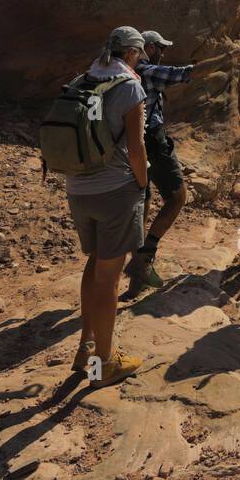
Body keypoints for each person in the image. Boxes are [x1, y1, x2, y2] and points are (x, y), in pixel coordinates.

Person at [65, 26, 148, 388]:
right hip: (115, 191)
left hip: (77, 189)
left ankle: (86, 348)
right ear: (131, 54)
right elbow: (136, 148)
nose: (140, 61)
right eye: (140, 55)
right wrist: (143, 185)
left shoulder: (81, 79)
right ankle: (104, 365)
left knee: (95, 263)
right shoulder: (129, 87)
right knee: (110, 279)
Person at [125, 30, 193, 293]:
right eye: (161, 48)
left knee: (144, 201)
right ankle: (146, 254)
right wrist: (228, 57)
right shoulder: (148, 70)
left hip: (131, 143)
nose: (163, 53)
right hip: (153, 142)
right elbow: (186, 73)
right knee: (177, 197)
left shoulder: (126, 73)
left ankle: (136, 279)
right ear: (149, 47)